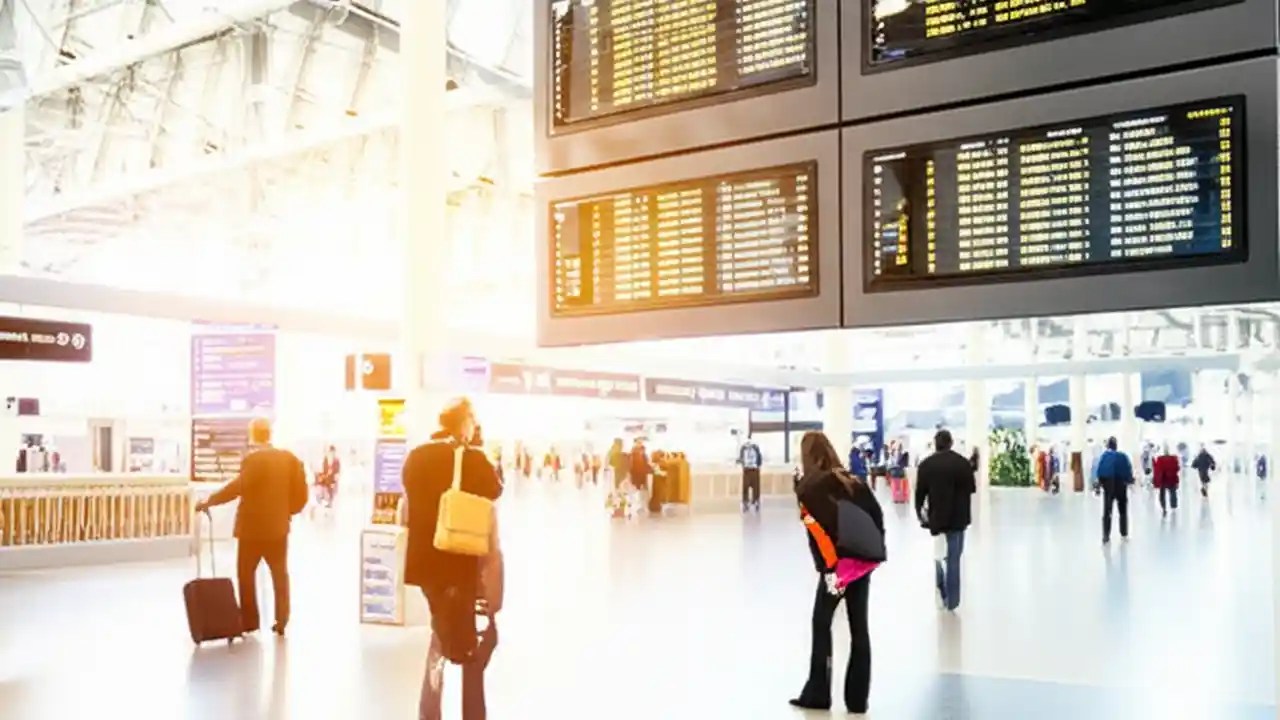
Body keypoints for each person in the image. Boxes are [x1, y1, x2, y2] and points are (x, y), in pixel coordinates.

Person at [402, 397, 504, 720]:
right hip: (459, 561)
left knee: (442, 629)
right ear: (465, 423)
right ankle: (470, 712)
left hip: (424, 562)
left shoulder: (416, 456)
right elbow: (496, 489)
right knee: (464, 640)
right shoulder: (473, 458)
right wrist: (479, 449)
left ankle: (429, 711)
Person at [790, 431, 883, 715]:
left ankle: (818, 692)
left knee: (821, 623)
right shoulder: (853, 480)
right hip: (862, 563)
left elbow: (817, 532)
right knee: (859, 629)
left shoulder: (809, 486)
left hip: (836, 569)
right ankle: (857, 700)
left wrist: (828, 570)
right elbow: (877, 518)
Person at [195, 417, 308, 635]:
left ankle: (249, 620)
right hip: (278, 529)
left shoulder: (253, 460)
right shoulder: (290, 459)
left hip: (252, 531)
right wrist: (287, 512)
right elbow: (302, 495)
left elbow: (238, 487)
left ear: (253, 435)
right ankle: (282, 620)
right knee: (279, 574)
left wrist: (210, 501)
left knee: (246, 575)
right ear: (269, 433)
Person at [914, 429, 976, 612]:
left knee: (939, 555)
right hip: (958, 519)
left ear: (936, 443)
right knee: (954, 558)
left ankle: (941, 588)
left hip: (937, 519)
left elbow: (919, 494)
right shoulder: (962, 464)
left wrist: (919, 513)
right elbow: (971, 489)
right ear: (951, 443)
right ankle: (953, 601)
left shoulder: (926, 465)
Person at [1095, 437, 1135, 544]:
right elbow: (1128, 469)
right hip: (1121, 485)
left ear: (1108, 445)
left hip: (1108, 485)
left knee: (1107, 511)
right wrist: (1130, 480)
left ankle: (1106, 535)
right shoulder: (1122, 456)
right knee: (1123, 510)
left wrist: (1100, 484)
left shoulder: (1104, 456)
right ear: (1116, 445)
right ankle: (1124, 533)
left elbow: (1099, 471)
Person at [1152, 445, 1181, 516]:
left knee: (1162, 494)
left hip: (1163, 479)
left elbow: (1157, 469)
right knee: (1173, 492)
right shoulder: (1173, 458)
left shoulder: (1160, 459)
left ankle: (1164, 508)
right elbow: (1177, 468)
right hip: (1172, 478)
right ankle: (1173, 505)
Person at [738, 434, 763, 513]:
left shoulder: (755, 447)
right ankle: (746, 502)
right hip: (747, 469)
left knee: (755, 487)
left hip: (753, 468)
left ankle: (755, 501)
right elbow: (741, 457)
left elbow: (759, 457)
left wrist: (757, 465)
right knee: (746, 487)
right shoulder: (743, 448)